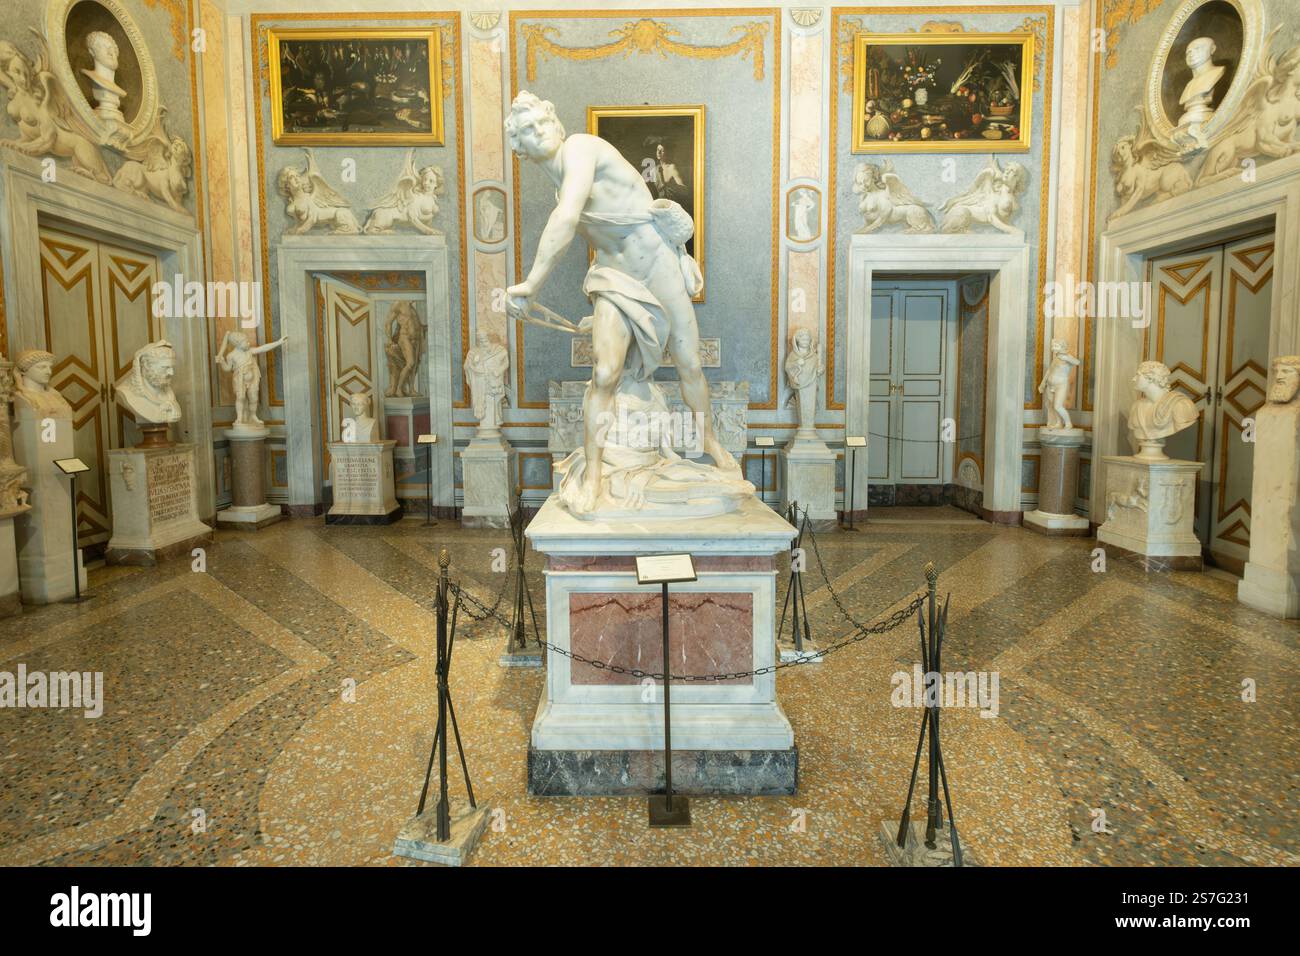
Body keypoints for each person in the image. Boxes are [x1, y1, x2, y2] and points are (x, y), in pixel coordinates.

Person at [503, 91, 736, 515]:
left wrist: (531, 284)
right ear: (518, 148)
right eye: (527, 131)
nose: (539, 133)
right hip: (613, 275)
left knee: (689, 364)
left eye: (542, 123)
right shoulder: (561, 184)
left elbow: (567, 220)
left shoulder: (581, 148)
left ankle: (711, 444)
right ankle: (594, 475)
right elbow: (567, 218)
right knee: (605, 372)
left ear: (556, 125)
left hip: (658, 266)